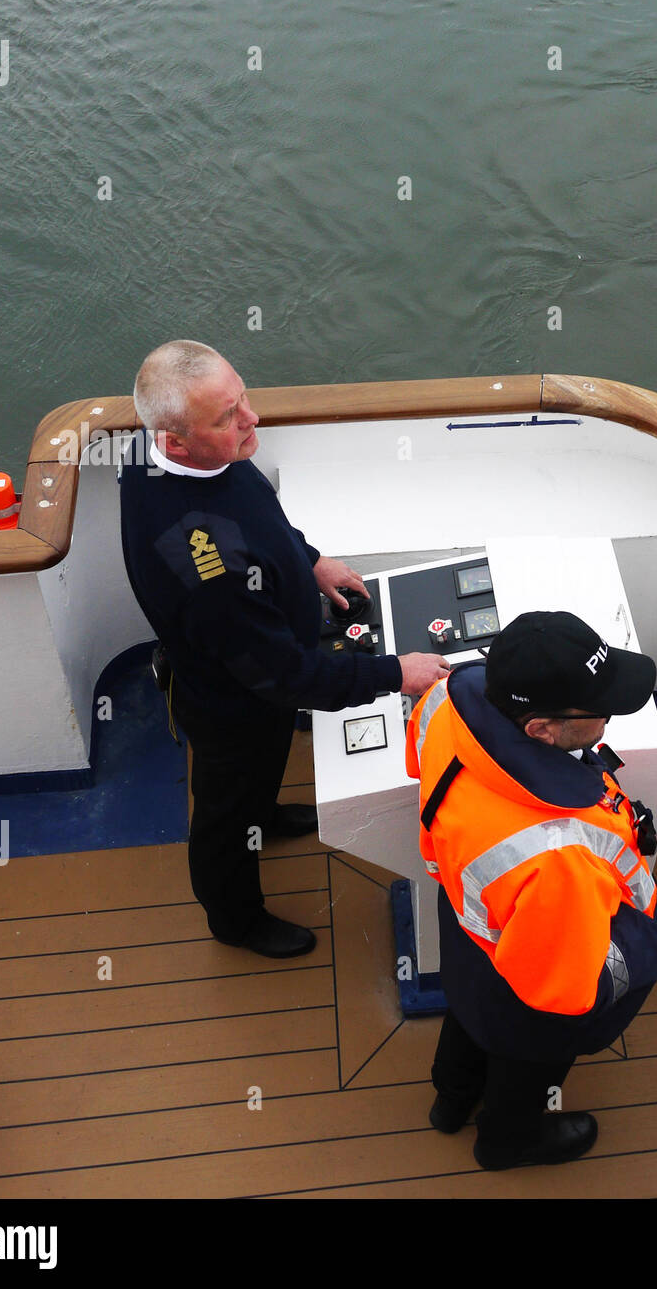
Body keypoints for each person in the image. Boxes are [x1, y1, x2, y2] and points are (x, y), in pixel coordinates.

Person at [120, 340, 449, 958]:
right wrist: (395, 673)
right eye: (228, 417)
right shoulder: (206, 570)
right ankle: (234, 918)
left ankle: (264, 817)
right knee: (224, 811)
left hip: (256, 668)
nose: (253, 420)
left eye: (242, 397)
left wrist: (312, 560)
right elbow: (284, 676)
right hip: (233, 703)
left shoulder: (185, 456)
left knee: (261, 778)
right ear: (175, 442)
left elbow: (259, 521)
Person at [406, 610, 657, 1170]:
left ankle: (450, 1100)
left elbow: (425, 769)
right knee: (528, 1056)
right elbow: (561, 992)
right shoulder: (559, 859)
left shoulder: (440, 702)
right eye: (598, 709)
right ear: (540, 730)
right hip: (526, 976)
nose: (610, 715)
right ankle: (506, 1142)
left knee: (468, 1011)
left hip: (463, 918)